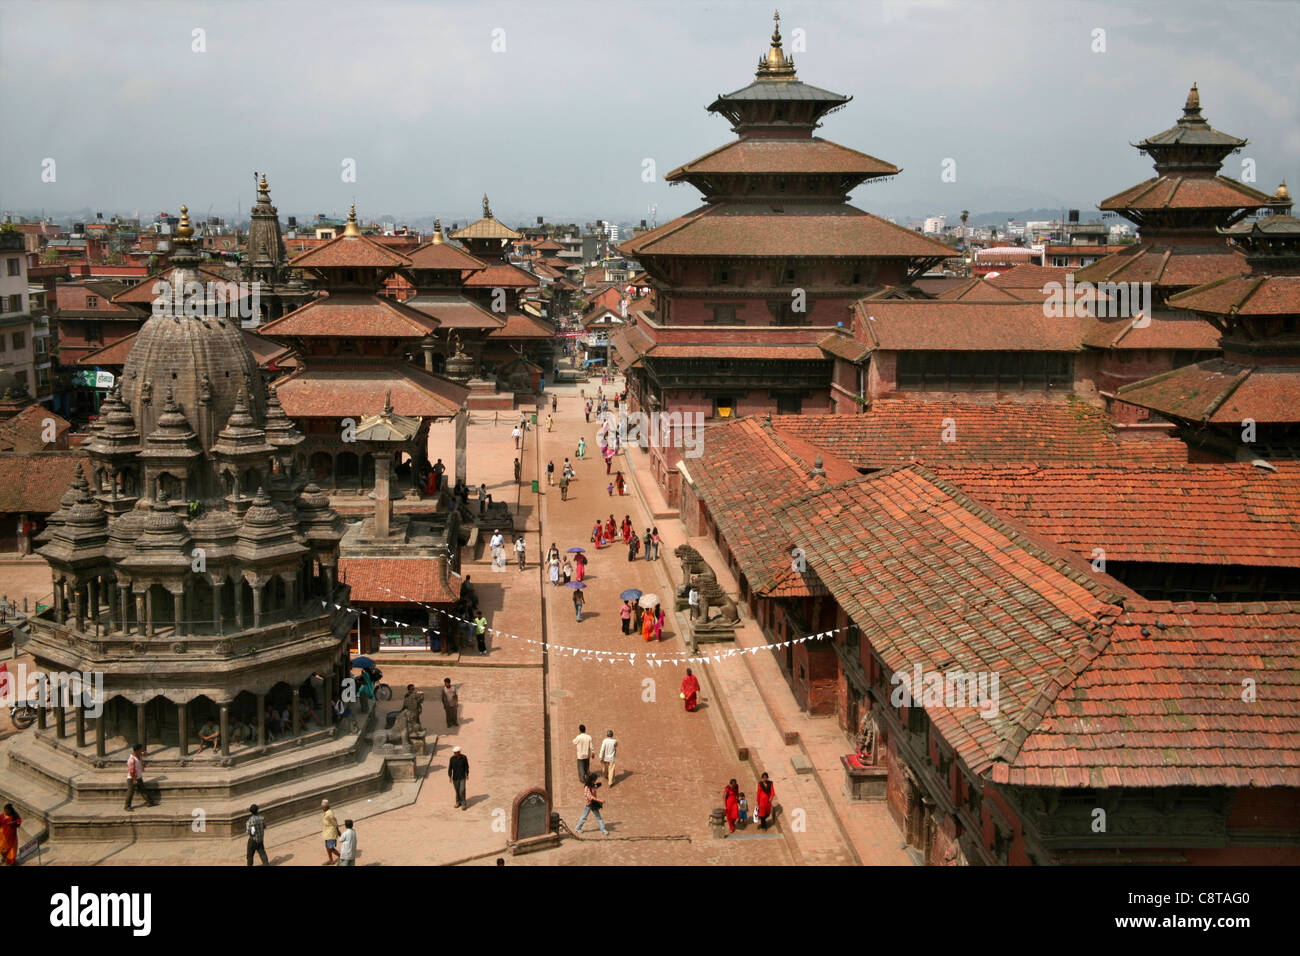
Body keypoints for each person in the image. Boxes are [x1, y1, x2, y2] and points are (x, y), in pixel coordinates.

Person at [124, 744, 156, 810]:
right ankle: (127, 806)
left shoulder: (139, 754)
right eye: (140, 749)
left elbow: (144, 754)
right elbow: (131, 771)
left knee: (143, 790)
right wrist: (134, 780)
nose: (141, 750)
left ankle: (150, 802)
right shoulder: (131, 760)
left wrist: (146, 753)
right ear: (137, 750)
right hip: (132, 778)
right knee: (130, 792)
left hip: (138, 777)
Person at [321, 799, 341, 865]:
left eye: (323, 807)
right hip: (327, 833)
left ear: (326, 807)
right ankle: (331, 860)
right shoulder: (326, 812)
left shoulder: (329, 814)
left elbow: (335, 823)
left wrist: (338, 831)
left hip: (331, 833)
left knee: (330, 847)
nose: (322, 808)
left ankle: (342, 857)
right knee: (327, 847)